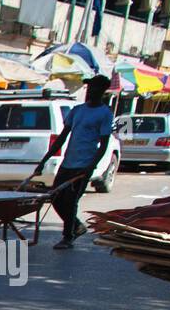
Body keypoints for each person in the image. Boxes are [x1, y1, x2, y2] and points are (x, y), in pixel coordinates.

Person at [36, 74, 115, 249]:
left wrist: (90, 167)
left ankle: (67, 236)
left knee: (71, 201)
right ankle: (76, 226)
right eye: (89, 88)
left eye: (94, 88)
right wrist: (44, 160)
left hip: (83, 165)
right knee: (55, 198)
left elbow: (103, 145)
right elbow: (62, 138)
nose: (90, 91)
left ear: (101, 91)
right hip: (67, 163)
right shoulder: (78, 110)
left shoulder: (104, 114)